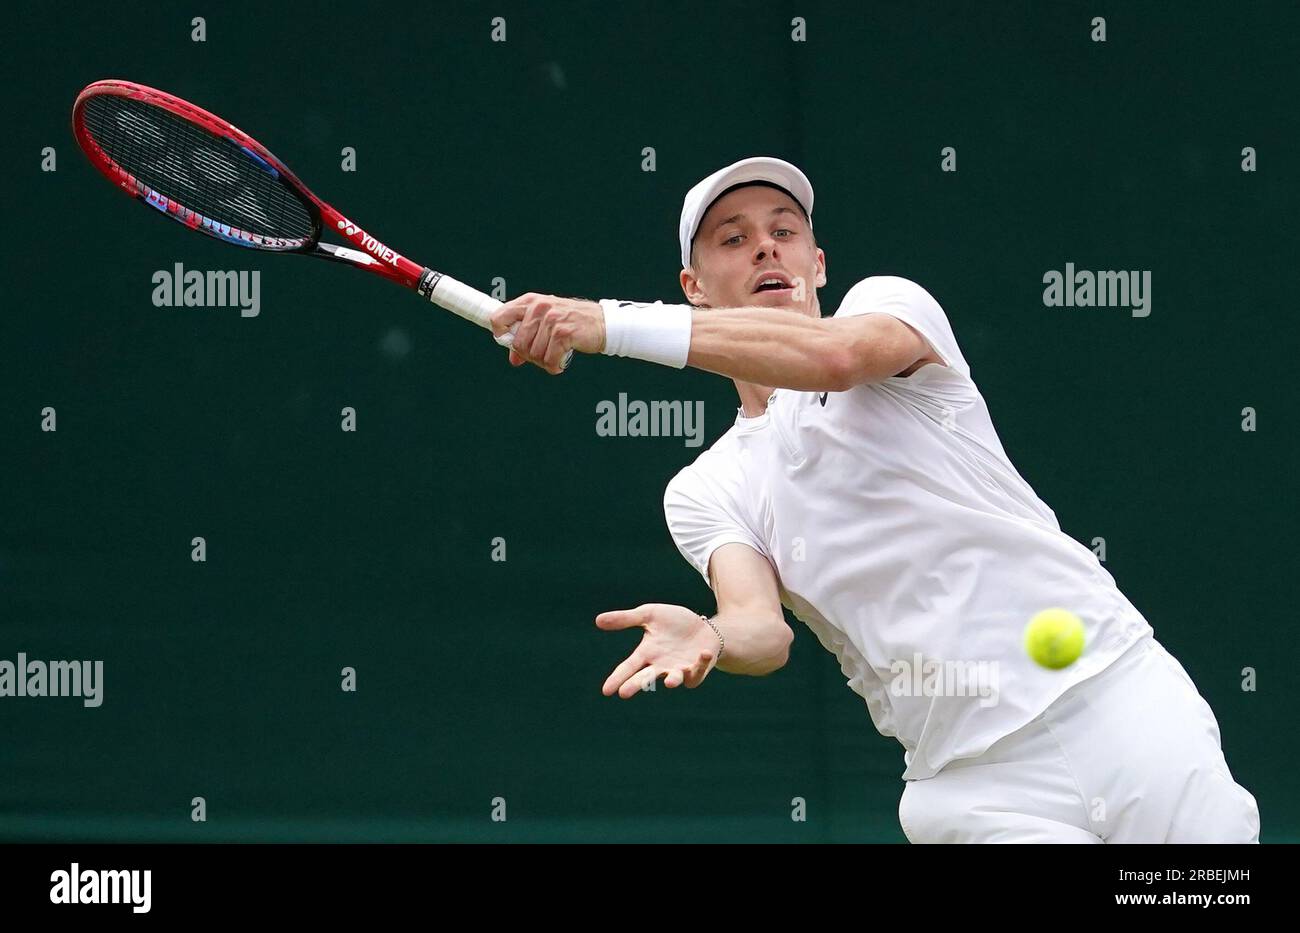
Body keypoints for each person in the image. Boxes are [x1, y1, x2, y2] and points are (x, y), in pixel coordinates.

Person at [489, 157, 1261, 843]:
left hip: (1115, 697)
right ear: (693, 288)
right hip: (974, 789)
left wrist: (606, 324)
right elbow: (763, 628)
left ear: (817, 262)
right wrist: (715, 637)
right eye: (732, 237)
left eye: (784, 230)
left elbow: (837, 356)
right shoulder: (706, 488)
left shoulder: (891, 310)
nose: (765, 246)